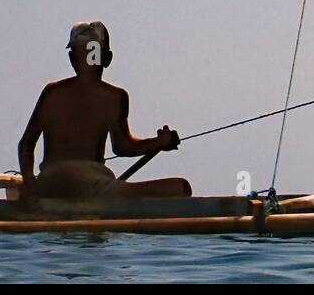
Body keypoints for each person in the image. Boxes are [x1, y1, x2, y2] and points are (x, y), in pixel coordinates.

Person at [17, 21, 190, 200]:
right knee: (180, 187)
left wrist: (30, 186)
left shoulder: (52, 92)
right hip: (92, 188)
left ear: (72, 58)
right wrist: (159, 142)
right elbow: (123, 147)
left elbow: (26, 144)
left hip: (49, 184)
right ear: (107, 58)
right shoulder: (114, 96)